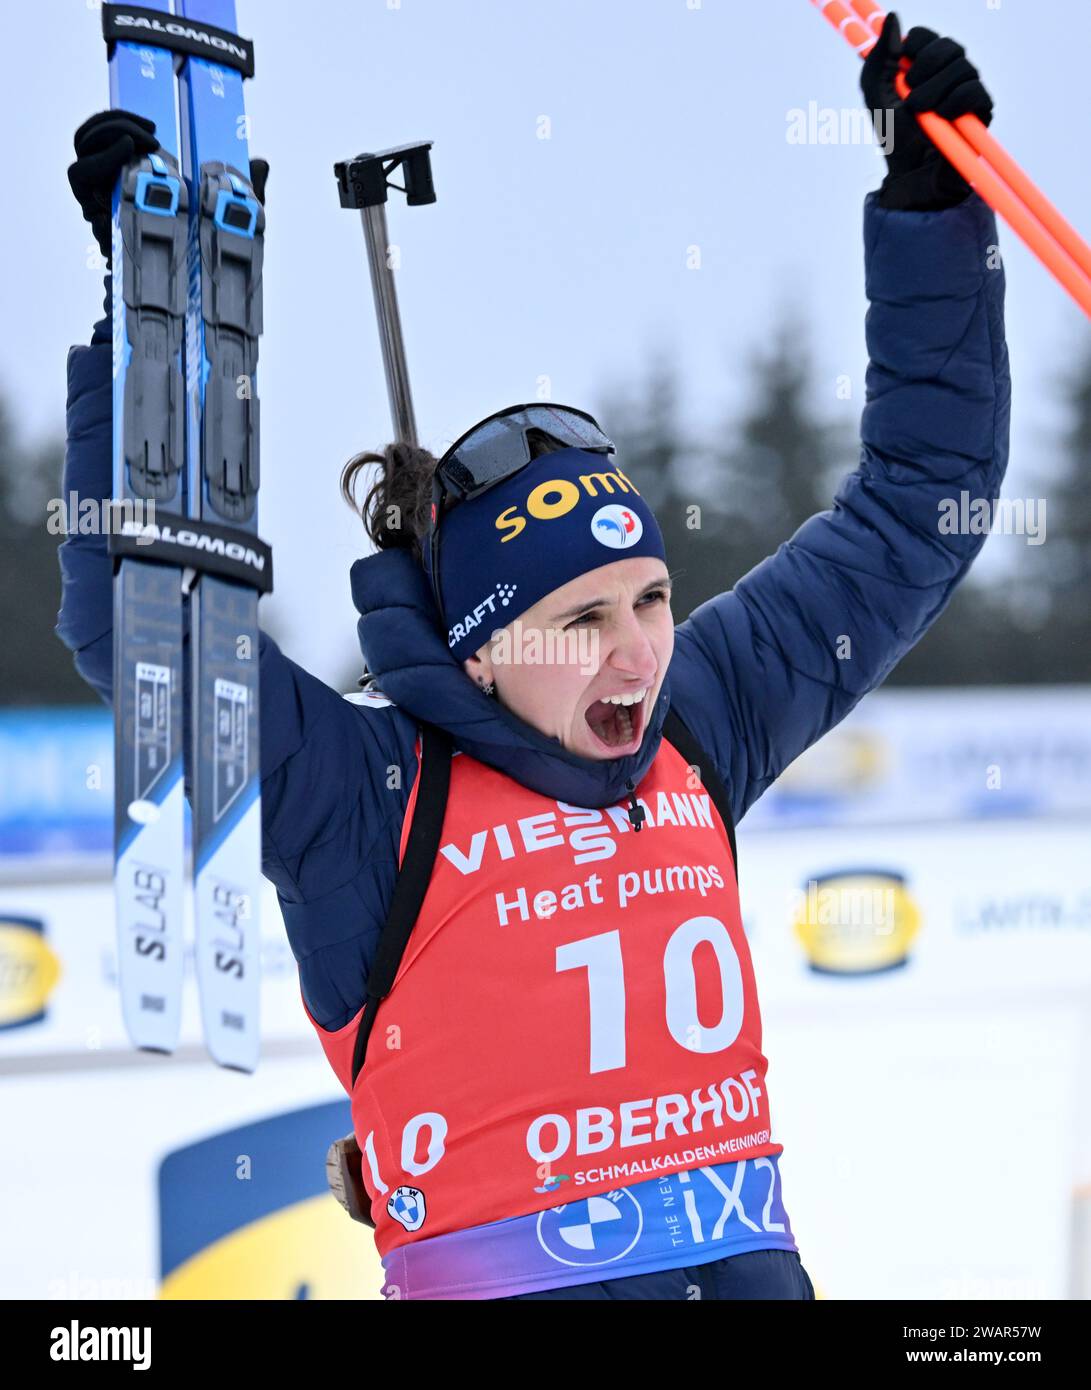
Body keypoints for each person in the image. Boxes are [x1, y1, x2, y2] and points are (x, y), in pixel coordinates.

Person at [59, 14, 1009, 1300]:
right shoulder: (363, 791)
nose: (635, 651)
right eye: (578, 621)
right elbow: (145, 636)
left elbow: (916, 501)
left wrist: (927, 202)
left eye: (650, 599)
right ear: (477, 648)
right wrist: (141, 325)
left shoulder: (698, 720)